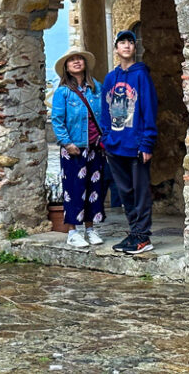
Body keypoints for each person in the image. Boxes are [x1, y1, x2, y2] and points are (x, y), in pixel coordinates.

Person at [100, 30, 158, 255]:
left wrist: (147, 143)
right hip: (115, 145)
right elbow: (104, 110)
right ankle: (134, 232)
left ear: (135, 48)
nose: (126, 46)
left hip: (135, 145)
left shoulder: (141, 75)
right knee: (125, 192)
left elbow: (149, 109)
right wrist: (106, 139)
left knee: (140, 192)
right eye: (122, 42)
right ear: (116, 49)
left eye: (130, 42)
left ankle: (143, 237)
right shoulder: (110, 78)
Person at [50, 47, 107, 249]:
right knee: (74, 190)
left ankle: (90, 229)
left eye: (79, 59)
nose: (76, 62)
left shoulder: (96, 88)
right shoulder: (63, 92)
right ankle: (73, 231)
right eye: (71, 60)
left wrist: (104, 139)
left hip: (94, 146)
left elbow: (104, 114)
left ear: (85, 64)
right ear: (66, 66)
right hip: (74, 147)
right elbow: (57, 120)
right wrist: (67, 143)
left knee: (94, 189)